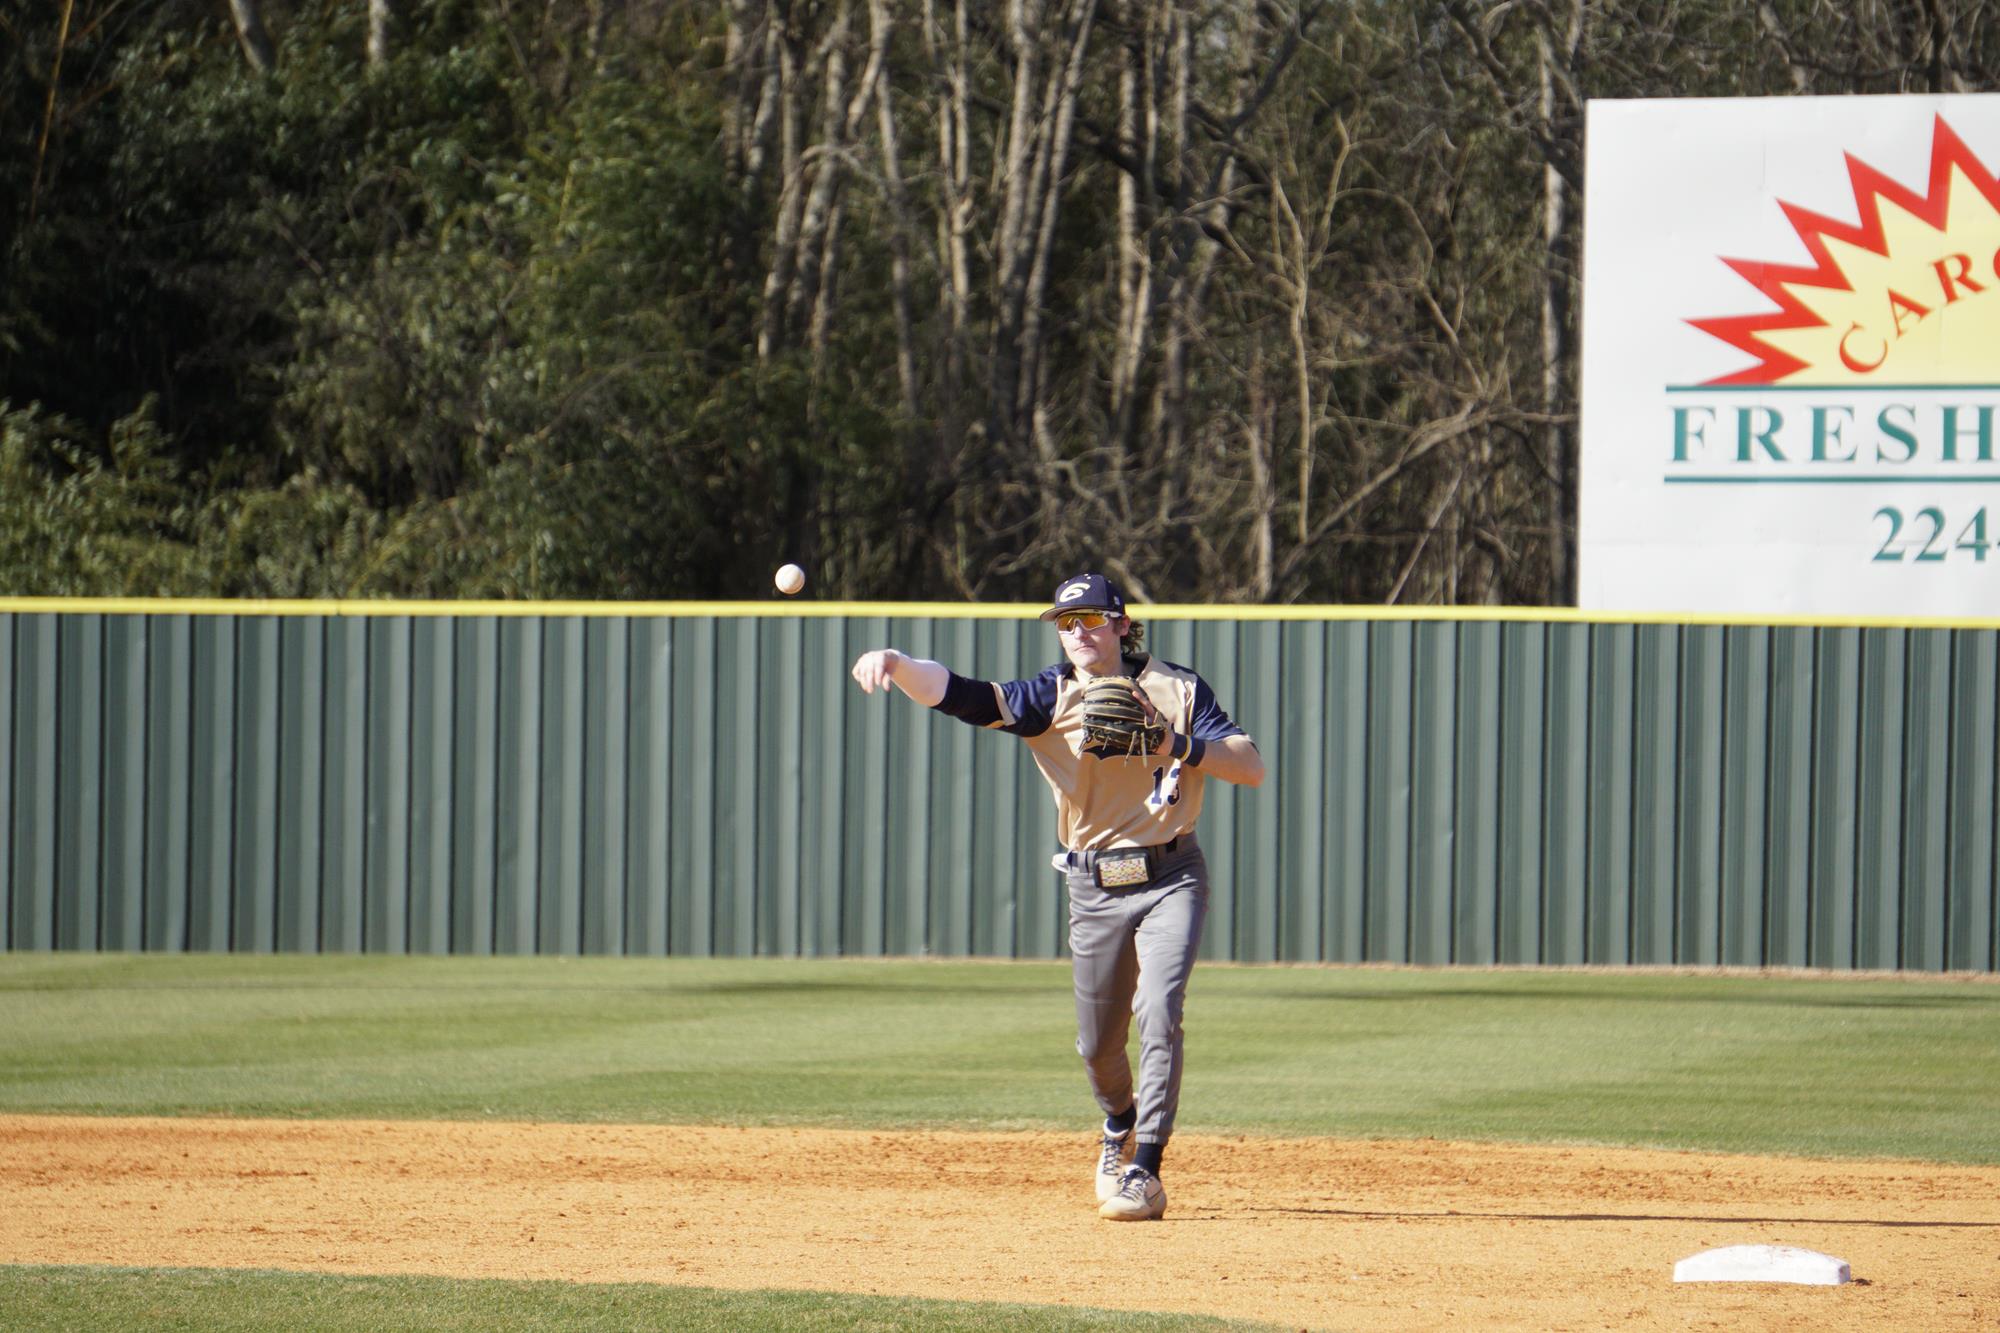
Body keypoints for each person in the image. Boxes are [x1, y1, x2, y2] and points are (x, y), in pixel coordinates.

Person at [850, 571, 1265, 1221]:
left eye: (1091, 619)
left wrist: (1176, 743)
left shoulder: (1179, 689)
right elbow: (965, 694)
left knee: (1158, 1007)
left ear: (1122, 623)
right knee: (1098, 1046)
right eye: (1066, 624)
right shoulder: (1052, 695)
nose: (1077, 633)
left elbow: (1250, 764)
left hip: (1171, 874)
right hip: (1094, 885)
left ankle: (1146, 1169)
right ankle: (1118, 1121)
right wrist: (900, 664)